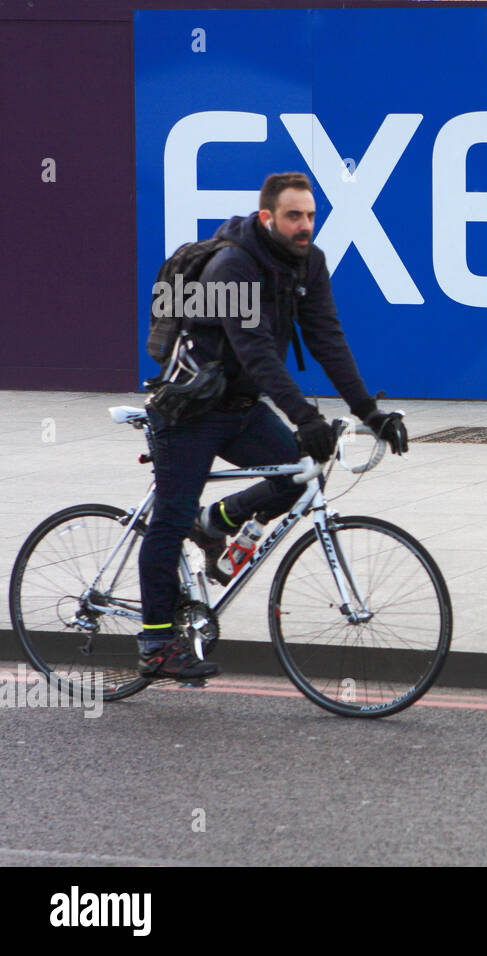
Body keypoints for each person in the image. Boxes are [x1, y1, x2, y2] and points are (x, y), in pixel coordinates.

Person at [136, 171, 410, 681]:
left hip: (239, 406)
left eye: (310, 215)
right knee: (169, 520)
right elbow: (255, 349)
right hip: (188, 411)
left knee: (298, 474)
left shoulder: (310, 262)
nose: (305, 225)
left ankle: (214, 522)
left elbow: (327, 338)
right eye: (293, 216)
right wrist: (304, 417)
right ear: (268, 218)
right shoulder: (231, 266)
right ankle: (154, 642)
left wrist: (369, 412)